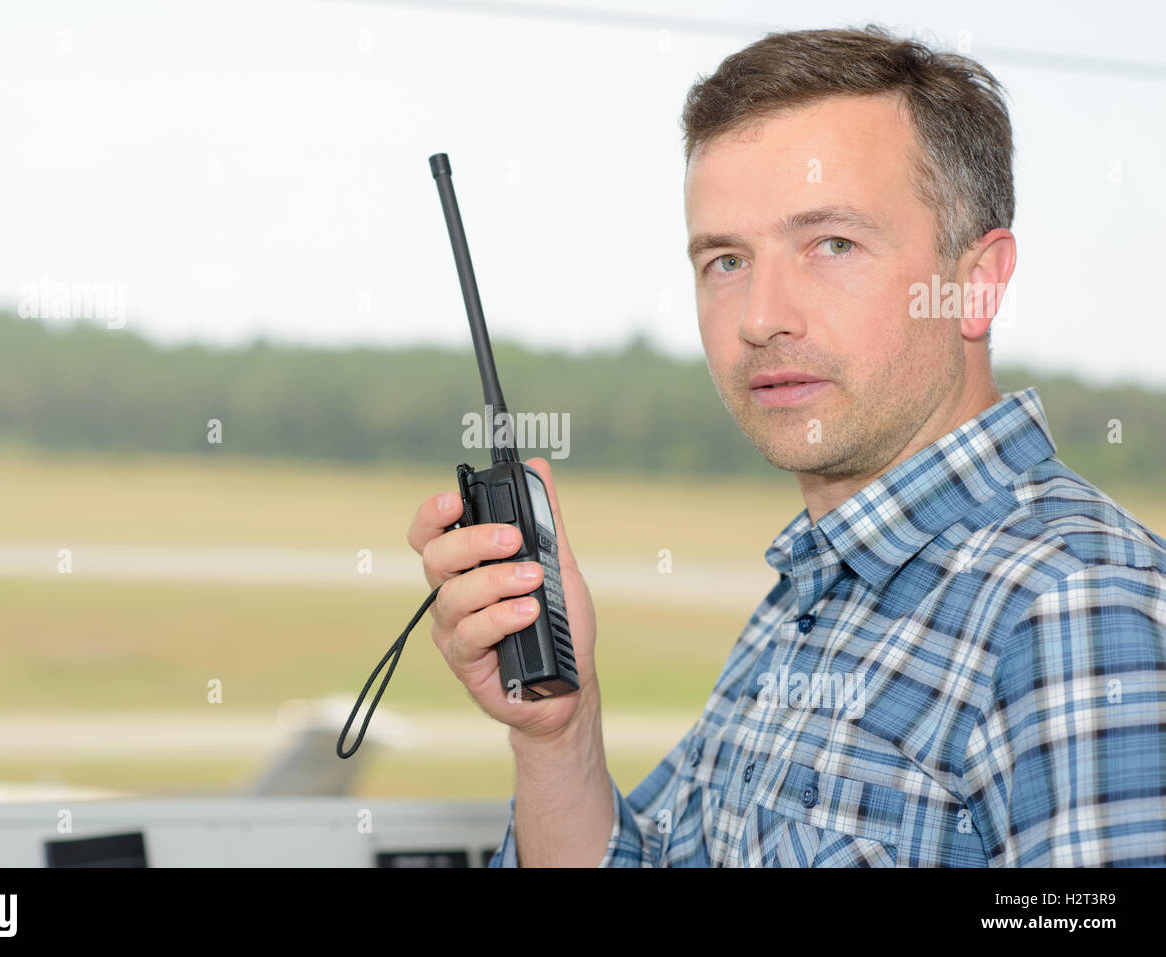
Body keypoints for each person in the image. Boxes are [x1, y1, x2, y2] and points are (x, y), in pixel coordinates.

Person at [406, 25, 1166, 867]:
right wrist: (557, 732)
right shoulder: (810, 593)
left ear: (974, 283)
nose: (761, 316)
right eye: (726, 260)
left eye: (832, 244)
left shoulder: (1073, 610)